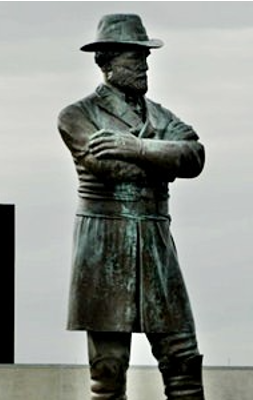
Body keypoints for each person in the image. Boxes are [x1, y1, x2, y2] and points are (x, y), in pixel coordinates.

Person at [57, 14, 207, 400]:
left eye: (145, 57)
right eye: (134, 57)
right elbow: (110, 168)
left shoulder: (160, 114)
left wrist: (136, 146)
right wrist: (162, 157)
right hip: (105, 241)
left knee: (183, 359)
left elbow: (194, 157)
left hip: (156, 241)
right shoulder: (77, 115)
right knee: (108, 368)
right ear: (106, 61)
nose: (144, 65)